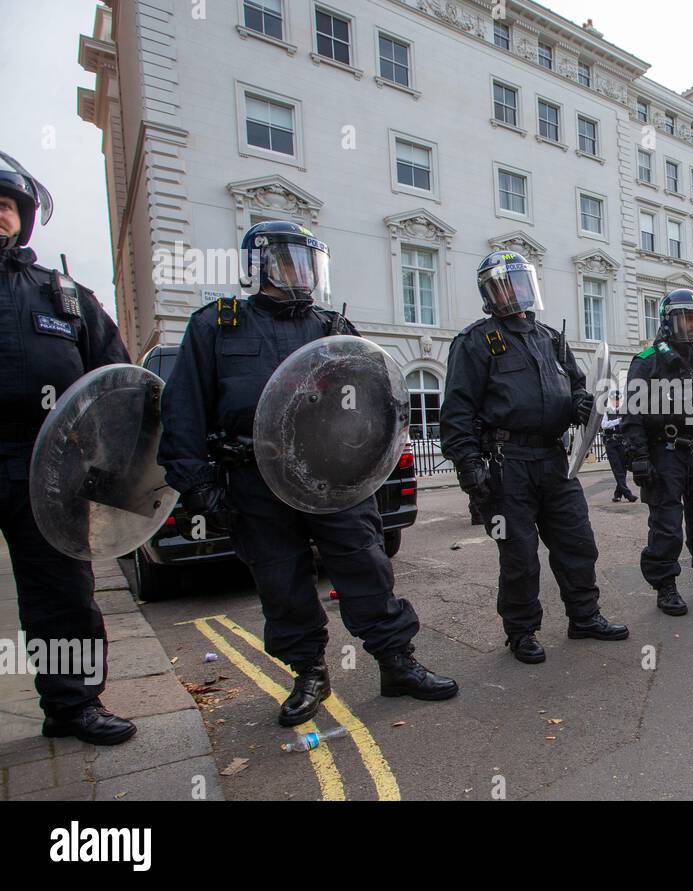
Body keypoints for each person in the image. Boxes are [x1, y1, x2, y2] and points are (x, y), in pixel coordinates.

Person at [159, 221, 458, 725]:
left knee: (366, 569)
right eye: (285, 260)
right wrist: (198, 487)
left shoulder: (333, 330)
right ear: (257, 266)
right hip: (256, 479)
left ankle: (396, 662)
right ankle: (309, 673)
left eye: (306, 261)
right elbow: (183, 410)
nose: (299, 273)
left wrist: (374, 461)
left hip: (334, 479)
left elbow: (374, 403)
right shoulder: (217, 325)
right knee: (282, 580)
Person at [0, 152, 138, 745]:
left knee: (61, 596)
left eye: (3, 206)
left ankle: (72, 706)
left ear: (22, 218)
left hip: (43, 471)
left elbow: (117, 384)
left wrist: (109, 468)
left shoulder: (65, 298)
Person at [441, 250, 627, 663]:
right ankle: (522, 630)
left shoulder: (550, 339)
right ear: (489, 293)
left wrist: (581, 405)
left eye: (518, 282)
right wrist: (469, 465)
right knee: (519, 554)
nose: (512, 292)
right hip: (507, 464)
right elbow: (457, 410)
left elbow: (579, 386)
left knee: (577, 542)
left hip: (554, 459)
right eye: (502, 285)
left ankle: (584, 616)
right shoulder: (476, 342)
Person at [621, 289, 693, 615]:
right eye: (686, 317)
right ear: (669, 320)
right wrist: (638, 457)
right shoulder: (648, 361)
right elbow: (632, 415)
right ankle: (666, 585)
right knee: (667, 523)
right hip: (666, 453)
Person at [601, 392, 637, 503]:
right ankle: (628, 494)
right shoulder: (606, 411)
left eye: (618, 399)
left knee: (623, 468)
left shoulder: (622, 411)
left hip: (622, 442)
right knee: (618, 469)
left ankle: (617, 494)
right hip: (611, 442)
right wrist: (618, 421)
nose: (616, 401)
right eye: (615, 399)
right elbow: (604, 425)